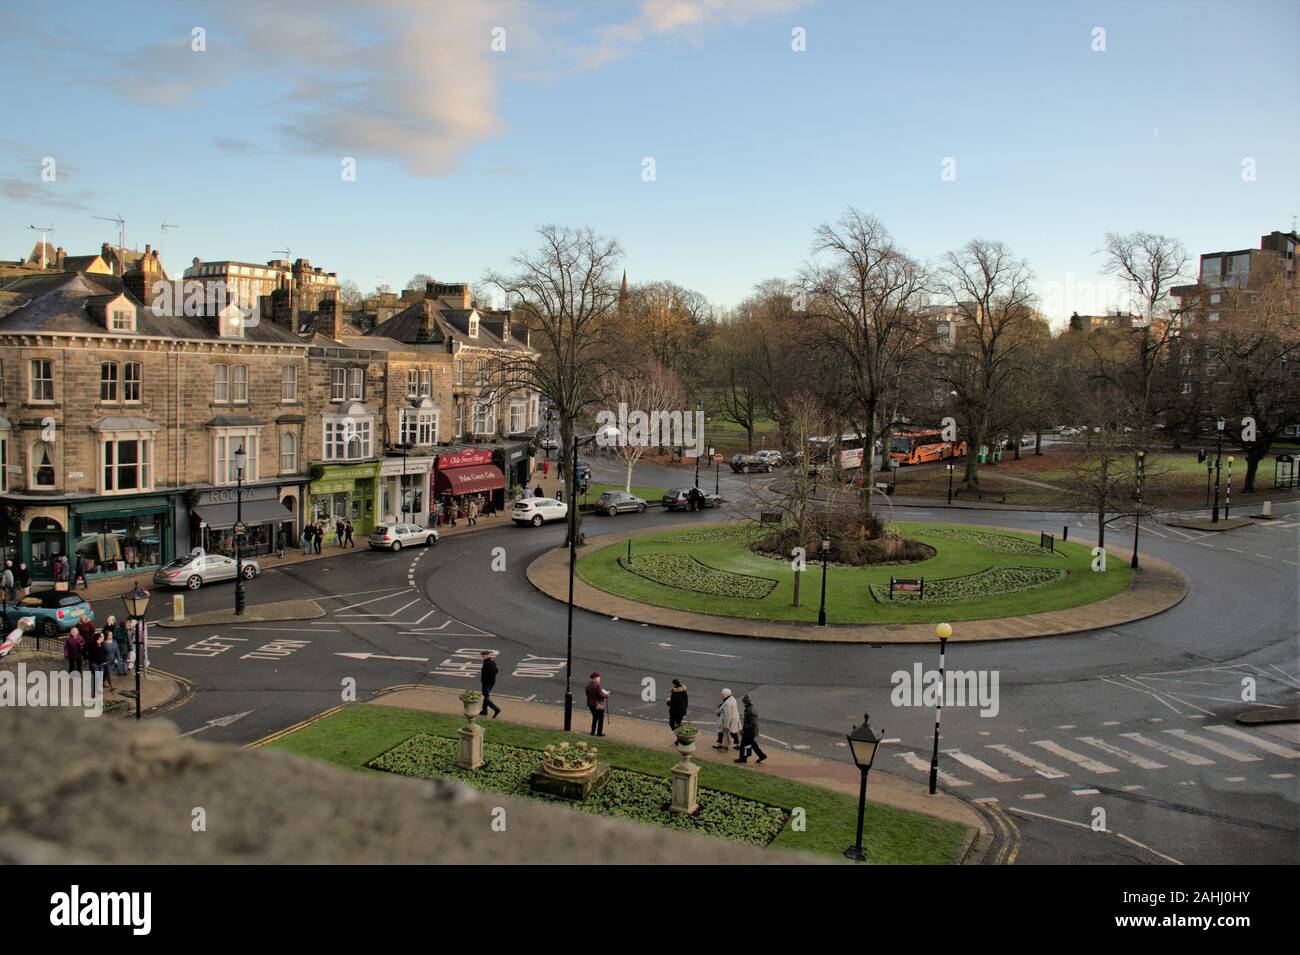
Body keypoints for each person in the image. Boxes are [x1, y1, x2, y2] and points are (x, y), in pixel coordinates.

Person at [735, 694, 767, 764]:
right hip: (751, 731)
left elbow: (751, 723)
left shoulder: (749, 710)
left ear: (745, 702)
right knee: (753, 744)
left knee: (744, 744)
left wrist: (743, 730)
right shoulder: (751, 708)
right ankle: (762, 755)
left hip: (749, 732)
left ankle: (743, 758)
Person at [585, 671, 609, 737]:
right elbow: (601, 695)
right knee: (601, 718)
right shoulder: (597, 685)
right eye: (599, 677)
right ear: (596, 678)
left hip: (590, 704)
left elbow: (587, 692)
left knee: (595, 717)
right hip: (598, 705)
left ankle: (592, 731)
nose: (599, 679)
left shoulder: (588, 684)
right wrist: (606, 695)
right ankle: (599, 733)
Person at [479, 650, 501, 718]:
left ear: (486, 655)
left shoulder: (486, 663)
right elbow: (496, 671)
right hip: (492, 682)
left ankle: (496, 709)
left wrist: (483, 681)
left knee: (486, 697)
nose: (482, 657)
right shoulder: (492, 661)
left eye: (483, 655)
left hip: (486, 683)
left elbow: (484, 674)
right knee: (486, 697)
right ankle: (484, 711)